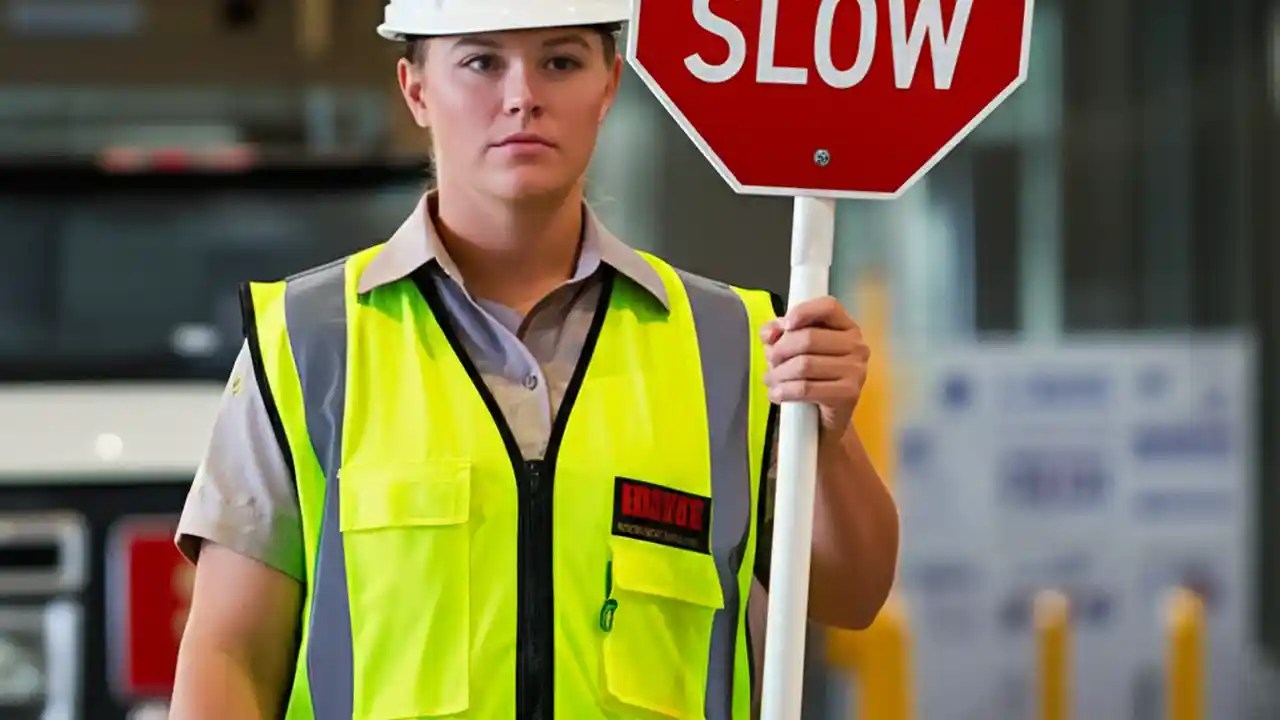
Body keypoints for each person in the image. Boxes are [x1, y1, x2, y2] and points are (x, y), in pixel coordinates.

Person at [169, 0, 900, 717]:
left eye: (560, 61)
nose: (522, 98)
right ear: (416, 89)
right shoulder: (310, 339)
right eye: (481, 62)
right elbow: (230, 655)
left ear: (609, 84)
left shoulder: (733, 340)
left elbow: (851, 596)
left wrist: (830, 440)